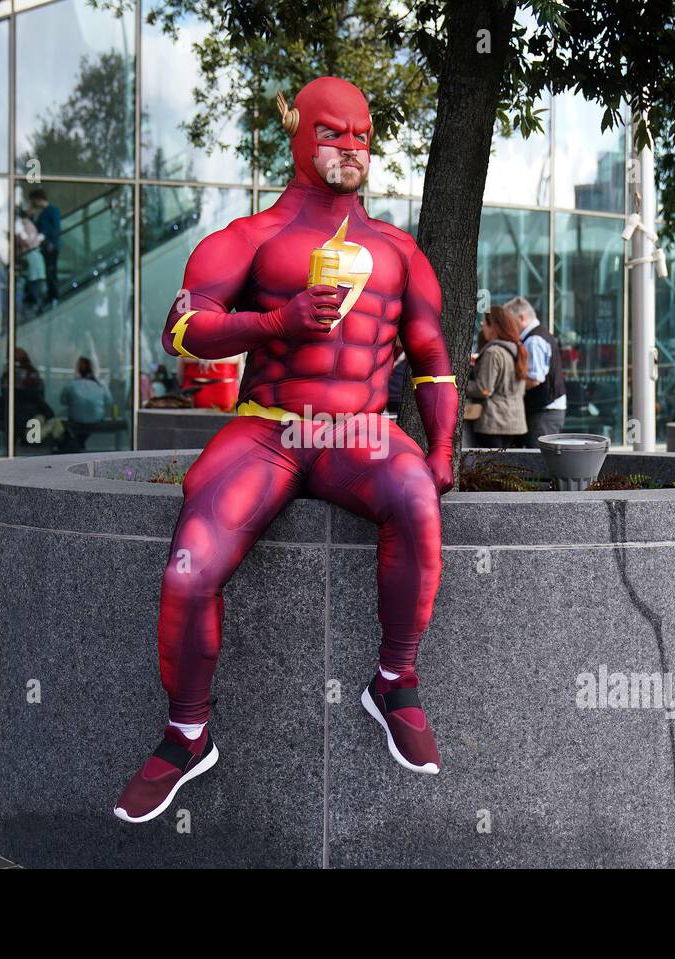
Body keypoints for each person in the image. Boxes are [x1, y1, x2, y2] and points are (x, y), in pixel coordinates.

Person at [113, 77, 457, 824]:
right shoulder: (251, 237)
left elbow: (432, 359)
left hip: (356, 430)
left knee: (417, 501)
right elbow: (183, 330)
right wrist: (276, 323)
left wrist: (442, 447)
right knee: (189, 565)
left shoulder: (401, 251)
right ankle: (186, 733)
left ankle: (394, 681)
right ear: (298, 133)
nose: (351, 146)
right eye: (334, 131)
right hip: (268, 424)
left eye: (362, 134)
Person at [505, 296, 566, 445]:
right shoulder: (538, 335)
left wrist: (506, 388)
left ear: (521, 318)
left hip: (543, 411)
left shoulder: (534, 340)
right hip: (546, 409)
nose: (508, 326)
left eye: (510, 321)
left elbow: (534, 379)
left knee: (538, 460)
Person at [466, 306, 528, 448]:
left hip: (494, 423)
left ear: (493, 327)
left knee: (492, 468)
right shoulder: (517, 349)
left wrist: (459, 384)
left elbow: (484, 389)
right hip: (516, 423)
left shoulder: (493, 353)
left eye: (484, 325)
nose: (483, 329)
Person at [57, 356, 113, 451]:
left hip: (76, 419)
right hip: (96, 418)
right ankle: (79, 444)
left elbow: (63, 401)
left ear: (77, 369)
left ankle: (77, 444)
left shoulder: (71, 385)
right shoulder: (101, 385)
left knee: (65, 417)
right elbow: (109, 401)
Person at [29, 189, 62, 302]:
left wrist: (51, 242)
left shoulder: (52, 210)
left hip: (51, 245)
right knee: (48, 271)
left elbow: (56, 228)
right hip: (44, 246)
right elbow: (37, 229)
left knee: (51, 270)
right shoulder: (43, 214)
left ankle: (54, 295)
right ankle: (50, 295)